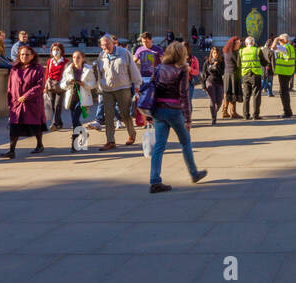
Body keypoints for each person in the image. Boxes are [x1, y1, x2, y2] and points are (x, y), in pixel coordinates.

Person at [145, 41, 207, 193]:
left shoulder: (159, 67)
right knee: (185, 142)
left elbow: (152, 88)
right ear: (181, 54)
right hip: (174, 110)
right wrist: (188, 118)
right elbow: (184, 94)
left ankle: (154, 180)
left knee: (159, 146)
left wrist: (149, 113)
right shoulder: (182, 70)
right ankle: (194, 173)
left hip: (158, 110)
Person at [95, 34, 141, 149]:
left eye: (108, 45)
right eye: (103, 46)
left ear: (113, 43)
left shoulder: (124, 53)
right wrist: (100, 88)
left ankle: (131, 134)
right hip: (107, 89)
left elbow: (133, 68)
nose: (106, 48)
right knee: (108, 115)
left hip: (123, 88)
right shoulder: (101, 56)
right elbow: (100, 73)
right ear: (101, 46)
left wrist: (137, 84)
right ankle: (110, 141)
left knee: (125, 114)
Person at [2, 44, 47, 157]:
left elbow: (39, 86)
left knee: (35, 125)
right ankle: (11, 150)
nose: (24, 56)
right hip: (16, 103)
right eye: (22, 54)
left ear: (32, 56)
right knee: (14, 127)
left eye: (27, 54)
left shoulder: (38, 69)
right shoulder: (14, 69)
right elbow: (10, 86)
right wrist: (10, 102)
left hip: (32, 103)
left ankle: (39, 145)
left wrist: (26, 96)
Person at [61, 49, 97, 150]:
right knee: (74, 120)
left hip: (83, 98)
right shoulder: (68, 69)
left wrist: (84, 84)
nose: (75, 59)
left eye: (78, 57)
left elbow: (93, 84)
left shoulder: (88, 69)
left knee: (75, 119)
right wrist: (68, 83)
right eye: (73, 57)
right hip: (71, 97)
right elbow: (62, 84)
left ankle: (74, 143)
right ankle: (84, 133)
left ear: (83, 58)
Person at [239, 36, 264, 120]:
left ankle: (245, 115)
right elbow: (263, 62)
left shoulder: (241, 51)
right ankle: (255, 115)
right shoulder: (257, 50)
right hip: (255, 74)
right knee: (256, 95)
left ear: (246, 43)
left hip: (245, 75)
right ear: (253, 43)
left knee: (246, 95)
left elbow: (238, 64)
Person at [44, 41, 67, 130]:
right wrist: (45, 87)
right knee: (53, 105)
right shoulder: (50, 61)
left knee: (58, 105)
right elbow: (47, 74)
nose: (55, 51)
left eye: (57, 49)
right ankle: (59, 123)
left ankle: (54, 123)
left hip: (60, 85)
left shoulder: (65, 61)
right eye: (54, 49)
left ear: (61, 51)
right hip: (50, 86)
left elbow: (67, 74)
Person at [201, 46, 225, 124]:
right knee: (212, 100)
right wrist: (203, 85)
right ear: (211, 53)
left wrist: (217, 66)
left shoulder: (221, 61)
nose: (216, 54)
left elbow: (222, 73)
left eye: (217, 53)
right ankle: (213, 118)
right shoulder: (207, 62)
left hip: (219, 82)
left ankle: (214, 112)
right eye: (214, 53)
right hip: (210, 82)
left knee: (219, 101)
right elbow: (204, 74)